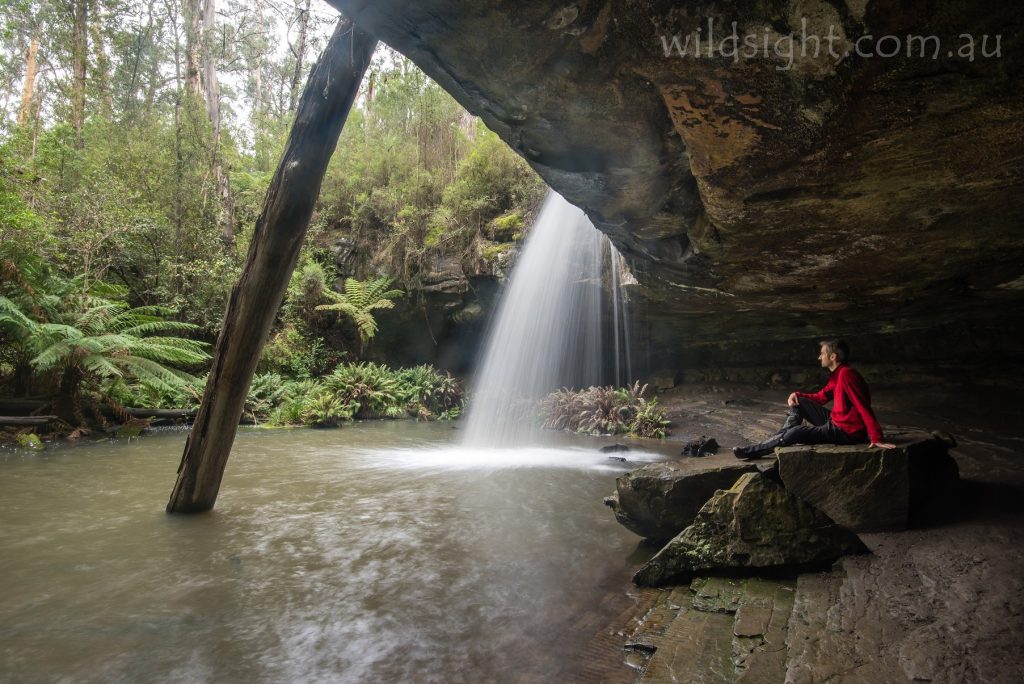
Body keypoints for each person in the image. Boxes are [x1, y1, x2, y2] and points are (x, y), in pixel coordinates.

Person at [733, 339, 896, 460]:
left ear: (833, 356)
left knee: (796, 432)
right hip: (835, 421)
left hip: (846, 432)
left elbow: (863, 406)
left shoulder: (847, 375)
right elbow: (821, 397)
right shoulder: (838, 374)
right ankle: (781, 437)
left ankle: (754, 451)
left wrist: (876, 437)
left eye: (822, 353)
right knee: (800, 402)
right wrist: (797, 394)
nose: (819, 357)